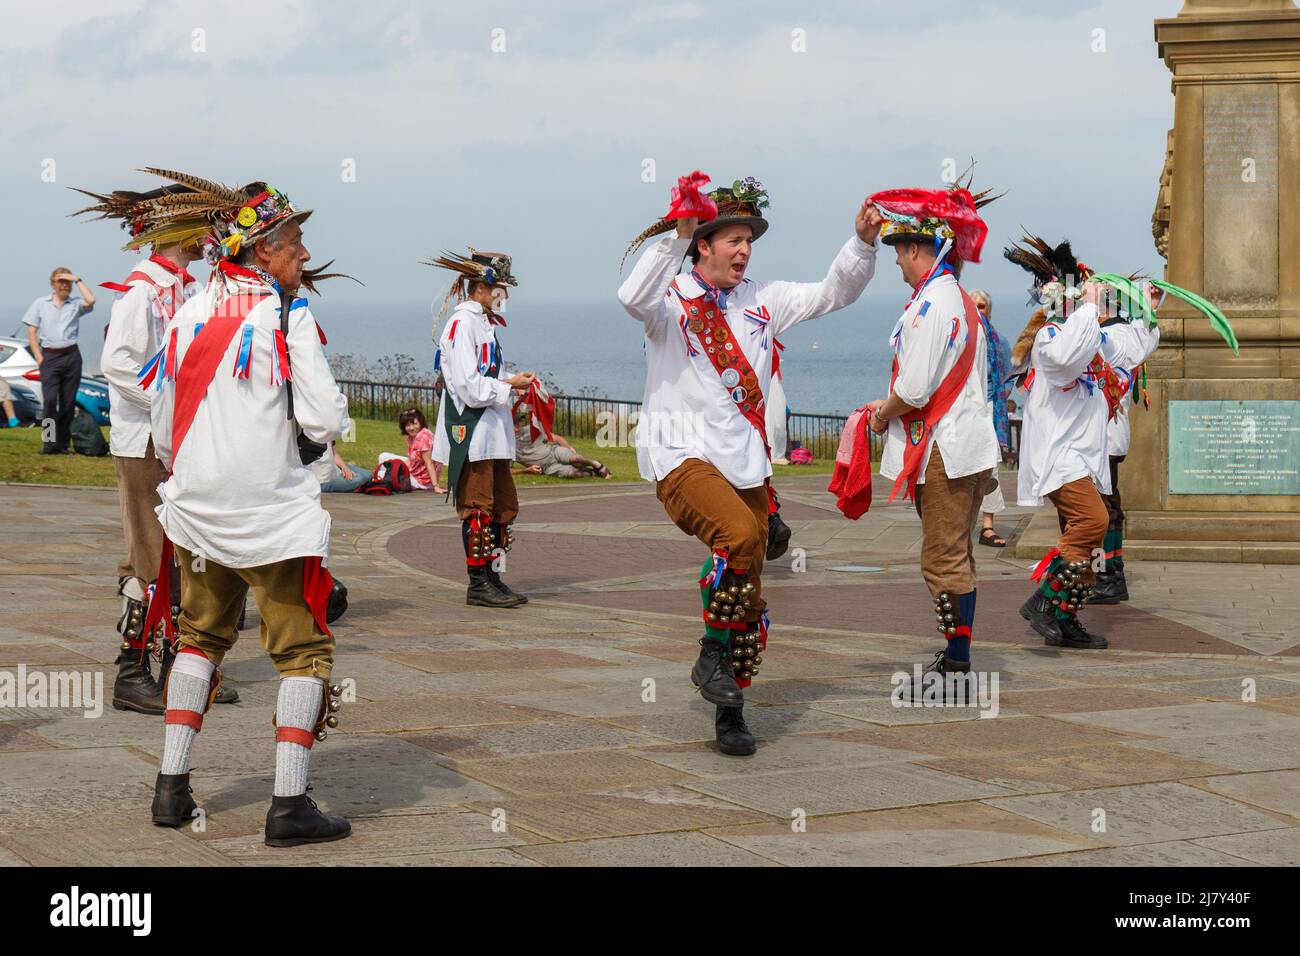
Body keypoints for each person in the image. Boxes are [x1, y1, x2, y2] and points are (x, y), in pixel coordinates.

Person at [619, 172, 881, 756]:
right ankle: (711, 651)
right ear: (702, 245)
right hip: (682, 455)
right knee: (738, 537)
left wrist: (861, 243)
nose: (743, 250)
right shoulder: (671, 303)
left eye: (749, 241)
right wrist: (674, 234)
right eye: (732, 240)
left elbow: (831, 293)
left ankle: (730, 709)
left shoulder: (762, 301)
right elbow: (631, 297)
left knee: (752, 597)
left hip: (746, 467)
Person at [141, 169, 352, 847]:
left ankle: (170, 791)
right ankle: (289, 806)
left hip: (199, 510)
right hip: (273, 515)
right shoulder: (287, 315)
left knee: (200, 639)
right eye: (295, 243)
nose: (304, 255)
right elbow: (323, 418)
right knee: (302, 653)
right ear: (262, 250)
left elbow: (166, 427)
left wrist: (200, 475)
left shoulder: (190, 312)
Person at [72, 176, 240, 712]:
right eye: (204, 227)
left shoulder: (181, 288)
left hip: (167, 437)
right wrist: (167, 404)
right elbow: (119, 364)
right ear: (180, 230)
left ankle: (174, 664)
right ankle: (131, 670)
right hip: (144, 438)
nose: (211, 236)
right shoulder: (143, 291)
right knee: (147, 552)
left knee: (177, 554)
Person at [864, 179, 1000, 697]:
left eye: (899, 251)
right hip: (963, 446)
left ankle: (958, 664)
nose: (896, 262)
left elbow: (916, 387)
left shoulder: (932, 305)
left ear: (917, 249)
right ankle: (956, 655)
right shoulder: (954, 298)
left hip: (945, 449)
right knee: (957, 552)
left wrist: (883, 411)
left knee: (941, 557)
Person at [1005, 235, 1115, 649]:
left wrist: (1146, 314)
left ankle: (1065, 618)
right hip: (1059, 456)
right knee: (1093, 523)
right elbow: (1068, 358)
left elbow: (1125, 348)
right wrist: (1088, 307)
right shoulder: (1051, 339)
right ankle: (1043, 601)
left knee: (1087, 540)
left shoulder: (1086, 339)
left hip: (1080, 457)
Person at [427, 249, 536, 608]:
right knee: (477, 506)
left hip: (491, 431)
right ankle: (477, 583)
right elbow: (468, 386)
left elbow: (482, 377)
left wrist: (510, 381)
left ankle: (492, 576)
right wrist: (506, 386)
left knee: (502, 506)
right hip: (472, 432)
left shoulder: (482, 323)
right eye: (501, 288)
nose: (504, 295)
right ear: (483, 287)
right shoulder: (462, 324)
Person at [21, 267, 95, 454]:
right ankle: (49, 443)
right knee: (50, 401)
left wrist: (77, 279)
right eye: (60, 281)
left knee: (68, 403)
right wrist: (38, 356)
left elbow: (91, 300)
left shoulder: (75, 304)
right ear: (53, 284)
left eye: (67, 282)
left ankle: (62, 444)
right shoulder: (40, 303)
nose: (64, 285)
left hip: (72, 357)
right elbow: (31, 330)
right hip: (50, 358)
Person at [970, 289, 1012, 548]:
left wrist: (998, 402)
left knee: (991, 467)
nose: (978, 311)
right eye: (972, 306)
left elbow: (1008, 375)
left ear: (990, 310)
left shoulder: (1000, 341)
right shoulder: (961, 338)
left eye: (982, 306)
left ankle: (987, 526)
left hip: (989, 408)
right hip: (964, 409)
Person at [513, 398, 611, 479]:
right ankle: (592, 473)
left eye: (519, 421)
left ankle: (597, 464)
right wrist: (526, 470)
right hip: (546, 467)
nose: (518, 424)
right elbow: (507, 471)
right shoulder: (507, 445)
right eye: (515, 422)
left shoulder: (531, 429)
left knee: (575, 458)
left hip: (553, 452)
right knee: (572, 473)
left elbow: (556, 438)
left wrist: (570, 448)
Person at [378, 406, 444, 492]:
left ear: (420, 423)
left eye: (415, 424)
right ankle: (391, 477)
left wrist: (435, 486)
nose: (412, 428)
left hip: (421, 481)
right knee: (383, 456)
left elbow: (429, 463)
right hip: (415, 470)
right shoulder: (412, 436)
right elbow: (413, 460)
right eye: (408, 425)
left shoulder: (423, 438)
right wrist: (399, 466)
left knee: (381, 474)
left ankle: (390, 479)